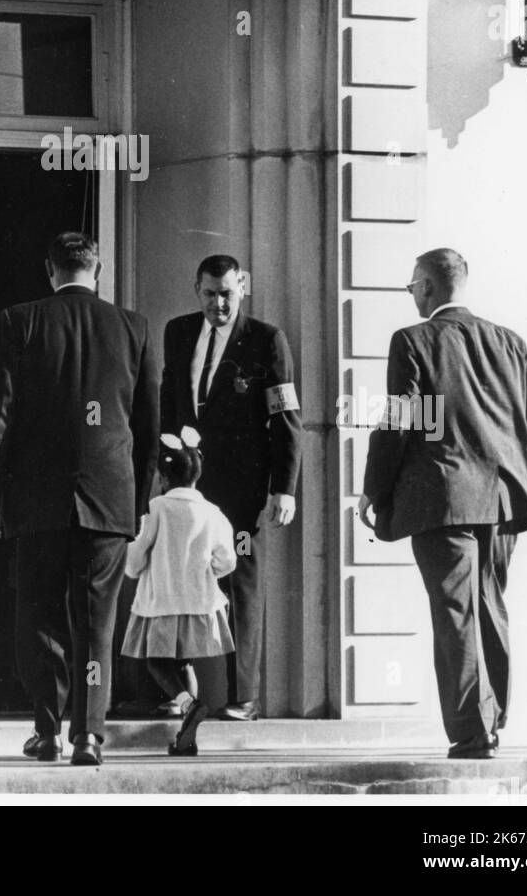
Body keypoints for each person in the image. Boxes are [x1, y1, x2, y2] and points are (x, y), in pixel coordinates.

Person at [0, 232, 158, 766]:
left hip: (37, 499)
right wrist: (138, 500)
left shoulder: (19, 320)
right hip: (109, 499)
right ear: (96, 268)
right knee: (97, 624)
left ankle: (48, 729)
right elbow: (148, 422)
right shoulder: (132, 327)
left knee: (39, 615)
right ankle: (90, 736)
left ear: (50, 269)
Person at [359, 248, 527, 759]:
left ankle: (472, 731)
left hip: (441, 498)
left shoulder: (412, 340)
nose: (412, 295)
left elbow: (402, 421)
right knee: (489, 604)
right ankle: (495, 716)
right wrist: (503, 462)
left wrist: (374, 489)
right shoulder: (511, 341)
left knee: (455, 613)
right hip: (503, 500)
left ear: (425, 286)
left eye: (412, 287)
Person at [160, 255, 303, 721]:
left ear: (243, 286)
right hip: (187, 484)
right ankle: (178, 691)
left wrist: (284, 488)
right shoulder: (178, 332)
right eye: (209, 293)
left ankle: (243, 698)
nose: (219, 303)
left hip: (243, 488)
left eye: (227, 293)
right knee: (178, 578)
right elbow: (168, 402)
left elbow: (285, 418)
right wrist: (164, 473)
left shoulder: (266, 340)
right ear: (195, 289)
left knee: (240, 585)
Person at [121, 428, 237, 756]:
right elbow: (227, 559)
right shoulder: (212, 512)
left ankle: (188, 704)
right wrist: (204, 574)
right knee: (185, 663)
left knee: (156, 663)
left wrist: (135, 570)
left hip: (161, 603)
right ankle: (188, 735)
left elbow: (136, 554)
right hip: (198, 603)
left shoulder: (156, 508)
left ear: (162, 476)